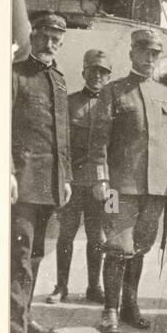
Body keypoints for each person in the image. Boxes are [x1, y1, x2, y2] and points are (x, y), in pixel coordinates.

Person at [88, 29, 167, 333]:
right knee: (117, 246)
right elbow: (98, 141)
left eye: (155, 53)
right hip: (119, 186)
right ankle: (110, 310)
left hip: (156, 188)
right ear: (132, 54)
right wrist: (101, 179)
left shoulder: (166, 95)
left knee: (140, 247)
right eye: (144, 52)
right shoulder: (113, 91)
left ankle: (130, 306)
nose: (150, 58)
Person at [10, 12, 72, 333]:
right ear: (33, 36)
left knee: (34, 255)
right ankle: (13, 328)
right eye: (45, 36)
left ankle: (25, 316)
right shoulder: (17, 75)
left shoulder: (59, 80)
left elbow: (62, 136)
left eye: (56, 39)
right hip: (23, 179)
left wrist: (66, 179)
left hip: (50, 183)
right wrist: (7, 172)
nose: (50, 44)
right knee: (19, 255)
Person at [46, 49, 111, 305]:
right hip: (73, 183)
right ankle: (61, 286)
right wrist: (64, 179)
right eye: (92, 71)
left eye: (103, 72)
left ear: (108, 77)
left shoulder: (113, 103)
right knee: (66, 235)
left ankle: (94, 287)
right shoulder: (70, 102)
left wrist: (106, 181)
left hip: (101, 185)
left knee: (98, 237)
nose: (97, 76)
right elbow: (61, 145)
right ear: (84, 72)